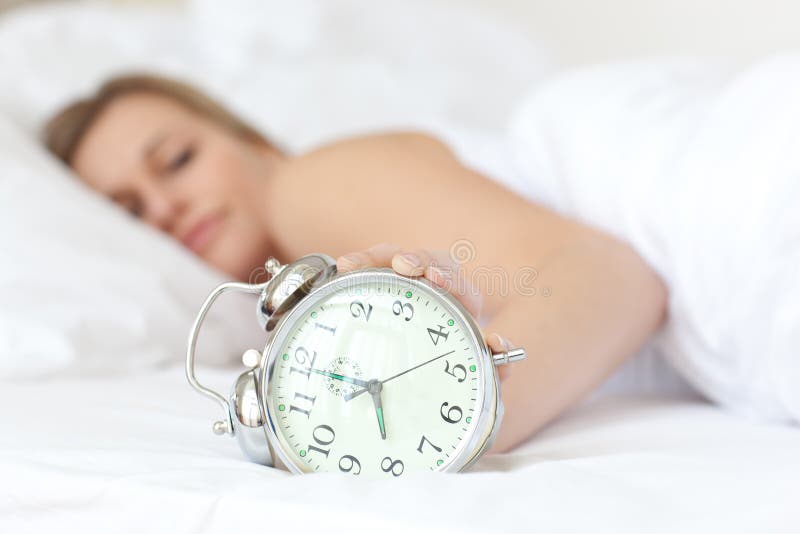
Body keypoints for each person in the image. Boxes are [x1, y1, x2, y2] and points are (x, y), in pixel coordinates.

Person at [42, 73, 667, 453]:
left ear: (253, 142)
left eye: (177, 159)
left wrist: (454, 425)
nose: (164, 208)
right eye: (128, 211)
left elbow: (613, 277)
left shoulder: (307, 183)